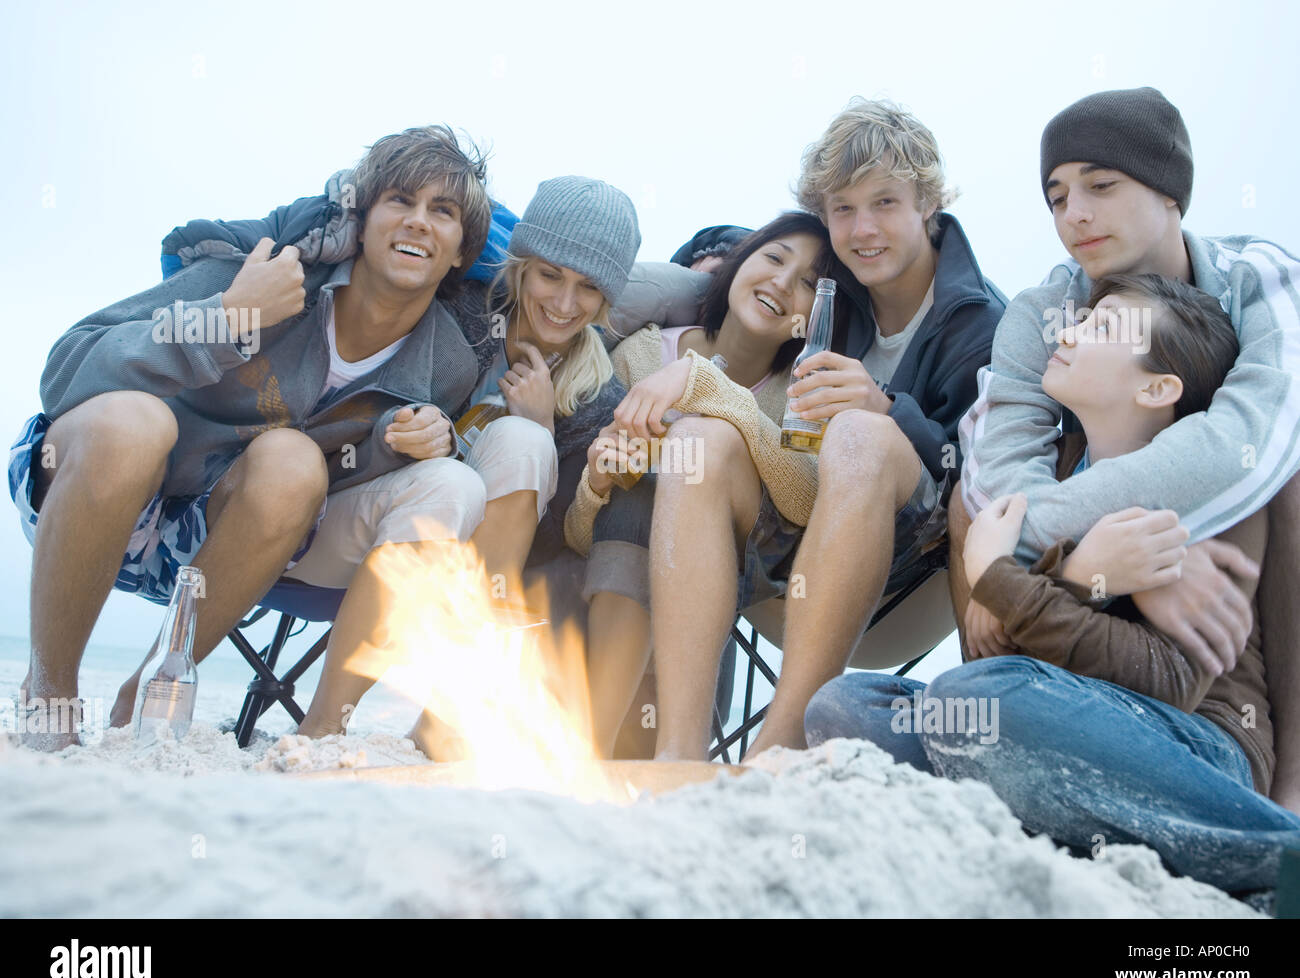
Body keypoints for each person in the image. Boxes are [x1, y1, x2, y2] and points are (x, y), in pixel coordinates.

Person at [808, 274, 1300, 893]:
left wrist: (1001, 580)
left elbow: (1168, 683)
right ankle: (1059, 829)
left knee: (986, 701)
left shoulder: (1212, 486)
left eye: (1102, 327)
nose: (1068, 333)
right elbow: (1019, 650)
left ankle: (1279, 854)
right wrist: (1077, 574)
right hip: (1064, 725)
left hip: (1195, 750)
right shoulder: (1052, 469)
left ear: (1158, 387)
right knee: (848, 706)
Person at [10, 125, 494, 750]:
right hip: (96, 488)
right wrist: (229, 318)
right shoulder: (263, 267)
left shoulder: (447, 364)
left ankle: (148, 693)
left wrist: (398, 445)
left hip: (219, 543)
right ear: (364, 221)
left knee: (292, 462)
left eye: (443, 212)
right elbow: (67, 368)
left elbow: (331, 483)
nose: (419, 222)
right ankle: (49, 697)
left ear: (460, 250)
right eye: (400, 200)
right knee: (137, 426)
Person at [950, 87, 1300, 815]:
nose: (1073, 213)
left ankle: (1287, 792)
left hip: (1217, 683)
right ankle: (997, 724)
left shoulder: (1256, 278)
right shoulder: (1047, 311)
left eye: (1101, 186)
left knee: (1288, 477)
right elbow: (999, 469)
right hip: (1079, 631)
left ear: (1171, 194)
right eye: (1056, 196)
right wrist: (1088, 563)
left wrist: (1154, 540)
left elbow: (1243, 449)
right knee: (967, 500)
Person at [631, 98, 1006, 761]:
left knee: (859, 433)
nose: (863, 229)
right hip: (793, 542)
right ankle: (679, 758)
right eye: (843, 209)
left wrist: (887, 407)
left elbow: (982, 475)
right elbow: (720, 286)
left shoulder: (978, 318)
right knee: (697, 440)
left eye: (885, 203)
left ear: (929, 203)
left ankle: (777, 751)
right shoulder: (828, 287)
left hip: (910, 578)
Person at [283, 174, 641, 748]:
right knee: (449, 482)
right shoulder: (457, 309)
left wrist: (545, 428)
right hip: (346, 525)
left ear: (607, 299)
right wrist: (408, 434)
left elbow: (543, 554)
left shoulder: (598, 399)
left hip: (465, 574)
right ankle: (324, 724)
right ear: (521, 264)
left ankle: (440, 723)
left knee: (525, 442)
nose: (565, 304)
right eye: (550, 275)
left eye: (589, 288)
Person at [563, 212, 832, 756]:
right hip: (610, 599)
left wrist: (703, 382)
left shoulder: (806, 393)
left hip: (710, 615)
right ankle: (584, 755)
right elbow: (575, 533)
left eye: (808, 281)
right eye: (774, 258)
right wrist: (595, 482)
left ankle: (630, 756)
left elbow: (804, 500)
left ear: (820, 312)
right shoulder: (642, 352)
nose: (782, 283)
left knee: (689, 457)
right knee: (638, 496)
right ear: (739, 265)